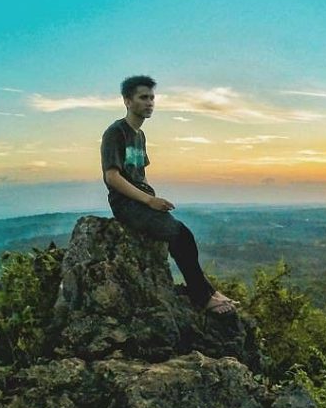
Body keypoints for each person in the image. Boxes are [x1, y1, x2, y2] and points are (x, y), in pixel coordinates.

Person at [100, 75, 237, 314]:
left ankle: (208, 291)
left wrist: (151, 198)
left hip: (140, 200)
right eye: (143, 97)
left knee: (184, 234)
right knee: (179, 236)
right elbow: (112, 177)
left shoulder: (140, 135)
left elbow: (138, 175)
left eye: (152, 98)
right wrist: (149, 201)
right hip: (126, 204)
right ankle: (201, 296)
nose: (150, 103)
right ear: (127, 101)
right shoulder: (116, 132)